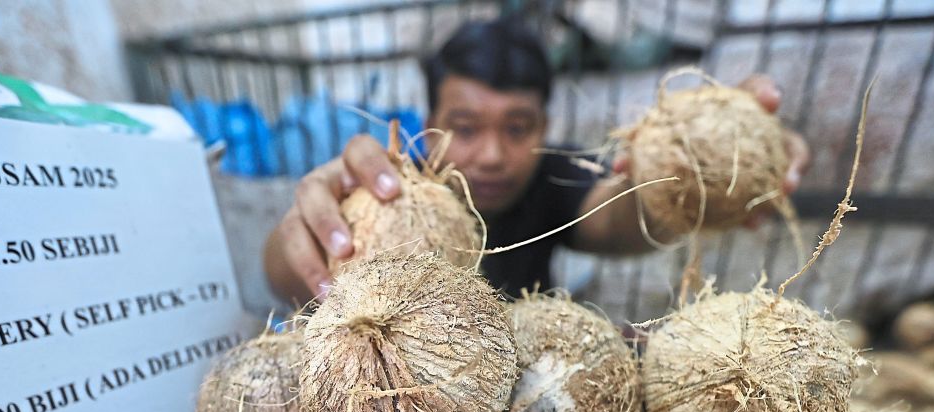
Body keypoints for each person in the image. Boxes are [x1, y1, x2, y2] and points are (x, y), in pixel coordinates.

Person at [262, 17, 810, 303]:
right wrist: (307, 244)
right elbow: (284, 271)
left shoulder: (551, 175)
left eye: (518, 128)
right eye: (466, 127)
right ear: (428, 120)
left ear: (546, 127)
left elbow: (617, 216)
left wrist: (697, 171)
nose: (493, 155)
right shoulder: (391, 187)